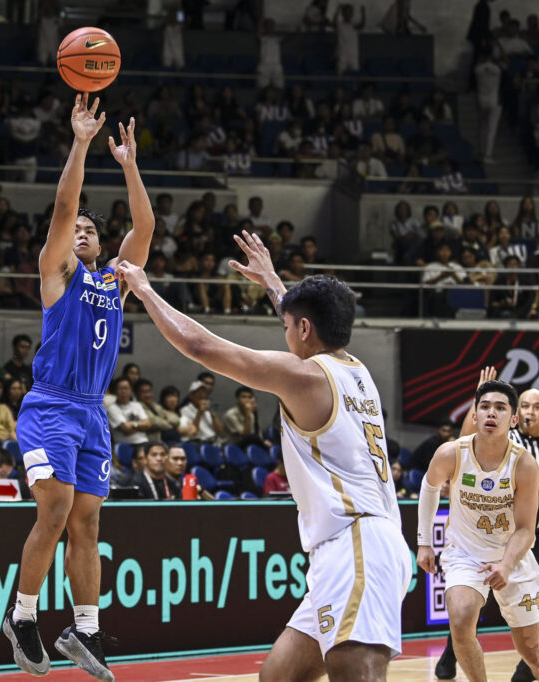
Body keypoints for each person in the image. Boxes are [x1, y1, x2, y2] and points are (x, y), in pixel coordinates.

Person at [115, 230, 409, 682]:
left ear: (304, 328)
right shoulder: (357, 370)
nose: (285, 330)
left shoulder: (307, 376)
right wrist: (275, 284)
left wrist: (144, 289)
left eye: (288, 324)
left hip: (356, 545)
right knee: (278, 676)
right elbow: (304, 325)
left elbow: (203, 349)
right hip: (357, 542)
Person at [5, 94, 154, 682]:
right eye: (80, 230)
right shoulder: (57, 273)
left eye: (93, 230)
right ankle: (22, 615)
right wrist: (82, 142)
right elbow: (65, 204)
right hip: (50, 406)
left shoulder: (116, 284)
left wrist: (130, 165)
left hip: (93, 414)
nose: (84, 232)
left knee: (88, 523)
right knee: (58, 508)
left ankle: (84, 628)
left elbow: (144, 227)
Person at [434, 369, 539, 681]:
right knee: (462, 614)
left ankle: (530, 665)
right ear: (517, 414)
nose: (529, 411)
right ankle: (451, 654)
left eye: (536, 406)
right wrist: (480, 400)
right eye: (524, 405)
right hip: (482, 540)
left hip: (537, 534)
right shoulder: (498, 434)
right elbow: (463, 443)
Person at [106, 377, 151, 445]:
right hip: (126, 445)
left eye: (126, 388)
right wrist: (141, 427)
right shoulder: (112, 408)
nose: (123, 391)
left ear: (131, 391)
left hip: (144, 442)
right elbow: (126, 430)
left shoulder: (137, 405)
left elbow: (148, 424)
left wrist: (133, 425)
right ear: (115, 391)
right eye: (121, 388)